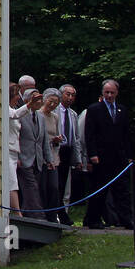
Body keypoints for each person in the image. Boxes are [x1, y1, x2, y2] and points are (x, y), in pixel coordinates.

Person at [85, 80, 133, 229]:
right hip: (101, 156)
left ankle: (126, 219)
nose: (109, 95)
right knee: (99, 189)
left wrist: (129, 155)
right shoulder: (94, 109)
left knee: (122, 189)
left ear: (117, 93)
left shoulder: (122, 110)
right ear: (102, 93)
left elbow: (126, 134)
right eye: (107, 92)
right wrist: (92, 154)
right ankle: (93, 219)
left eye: (112, 92)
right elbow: (89, 133)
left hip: (119, 156)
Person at [17, 87, 48, 216]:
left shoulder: (41, 116)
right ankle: (38, 215)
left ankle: (26, 214)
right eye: (35, 99)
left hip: (37, 159)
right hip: (24, 157)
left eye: (40, 99)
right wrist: (17, 156)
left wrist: (49, 159)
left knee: (33, 187)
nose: (39, 102)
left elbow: (43, 139)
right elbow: (16, 137)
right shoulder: (20, 115)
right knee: (31, 186)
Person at [57, 84, 81, 225]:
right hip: (57, 149)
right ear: (61, 95)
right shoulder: (55, 111)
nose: (70, 97)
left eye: (72, 95)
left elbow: (76, 138)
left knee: (65, 185)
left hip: (68, 151)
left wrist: (77, 159)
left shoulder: (73, 114)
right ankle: (58, 214)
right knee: (57, 184)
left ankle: (64, 213)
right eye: (68, 94)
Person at [8, 83, 32, 216]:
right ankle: (17, 214)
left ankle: (15, 212)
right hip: (7, 151)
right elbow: (15, 115)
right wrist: (29, 105)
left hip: (14, 152)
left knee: (13, 182)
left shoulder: (12, 108)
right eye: (17, 94)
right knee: (12, 183)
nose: (18, 98)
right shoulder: (6, 108)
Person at [40, 89, 64, 223]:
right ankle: (42, 214)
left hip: (53, 157)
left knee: (54, 187)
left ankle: (52, 215)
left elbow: (58, 134)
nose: (53, 105)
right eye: (51, 101)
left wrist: (57, 140)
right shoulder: (38, 114)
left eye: (56, 102)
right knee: (42, 187)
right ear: (45, 99)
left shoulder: (55, 117)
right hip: (41, 157)